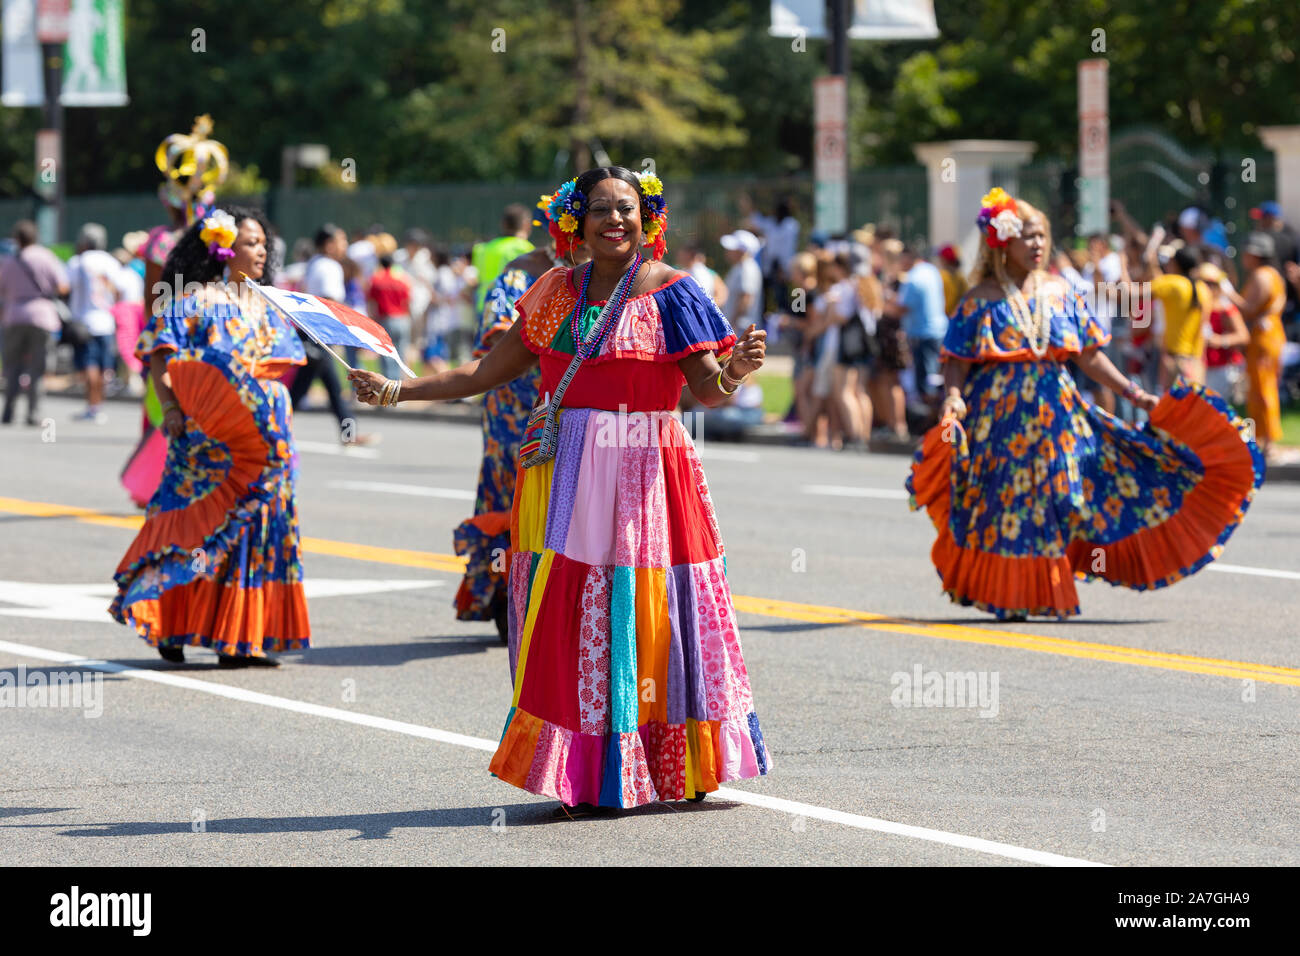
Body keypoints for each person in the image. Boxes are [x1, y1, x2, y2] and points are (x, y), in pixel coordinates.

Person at [349, 166, 773, 815]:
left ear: (647, 217)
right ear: (576, 220)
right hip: (567, 474)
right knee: (577, 616)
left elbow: (706, 391)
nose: (615, 221)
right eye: (601, 209)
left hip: (648, 472)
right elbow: (485, 371)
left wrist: (737, 369)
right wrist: (396, 389)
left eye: (626, 208)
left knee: (654, 612)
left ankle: (679, 763)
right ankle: (584, 771)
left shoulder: (674, 292)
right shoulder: (553, 291)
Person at [907, 188, 1263, 622]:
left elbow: (1087, 354)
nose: (1037, 244)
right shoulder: (980, 297)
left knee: (1063, 494)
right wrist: (954, 395)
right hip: (998, 420)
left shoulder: (1061, 290)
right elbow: (957, 359)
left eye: (1041, 236)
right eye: (1027, 237)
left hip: (1056, 414)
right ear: (1003, 243)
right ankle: (1014, 593)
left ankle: (1044, 586)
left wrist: (1135, 394)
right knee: (1011, 503)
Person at [110, 204, 310, 666]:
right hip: (209, 439)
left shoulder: (272, 304)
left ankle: (239, 638)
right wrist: (174, 407)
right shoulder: (196, 300)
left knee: (256, 529)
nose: (261, 251)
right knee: (198, 528)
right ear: (224, 249)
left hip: (266, 435)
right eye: (250, 243)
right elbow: (158, 353)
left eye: (264, 243)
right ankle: (172, 622)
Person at [453, 194, 592, 647]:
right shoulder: (524, 274)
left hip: (567, 409)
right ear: (563, 232)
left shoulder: (597, 276)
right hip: (515, 413)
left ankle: (558, 604)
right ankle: (506, 603)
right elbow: (498, 338)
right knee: (513, 502)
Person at [289, 223, 374, 445]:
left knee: (314, 389)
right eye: (341, 240)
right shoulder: (329, 266)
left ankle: (275, 426)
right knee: (329, 389)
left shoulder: (313, 264)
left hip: (309, 332)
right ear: (329, 245)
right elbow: (330, 302)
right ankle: (272, 427)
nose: (345, 245)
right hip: (319, 335)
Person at [1225, 232, 1287, 459]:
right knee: (1263, 388)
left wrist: (1227, 292)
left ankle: (1267, 440)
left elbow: (1249, 309)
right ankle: (1262, 438)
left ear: (1256, 254)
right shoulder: (1274, 275)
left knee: (1263, 389)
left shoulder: (1262, 276)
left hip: (1263, 338)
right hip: (1270, 336)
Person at [1, 220, 68, 426]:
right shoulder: (46, 257)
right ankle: (33, 413)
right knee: (37, 368)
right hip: (42, 315)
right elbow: (63, 286)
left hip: (14, 315)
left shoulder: (10, 260)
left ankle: (8, 412)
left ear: (17, 238)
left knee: (12, 367)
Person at [67, 223, 122, 424]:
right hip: (106, 320)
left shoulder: (77, 261)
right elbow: (119, 291)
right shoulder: (111, 262)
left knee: (89, 364)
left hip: (84, 320)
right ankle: (98, 405)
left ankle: (92, 405)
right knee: (103, 366)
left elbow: (66, 286)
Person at [885, 242, 948, 414]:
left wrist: (881, 303)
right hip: (937, 331)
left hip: (923, 335)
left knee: (927, 385)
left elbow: (901, 309)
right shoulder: (931, 270)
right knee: (933, 380)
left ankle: (934, 427)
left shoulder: (913, 278)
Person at [1148, 245, 1210, 389]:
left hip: (1174, 363)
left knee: (1172, 410)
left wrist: (1123, 265)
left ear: (1175, 263)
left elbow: (1130, 294)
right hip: (1195, 363)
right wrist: (1153, 265)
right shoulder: (1203, 289)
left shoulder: (1174, 284)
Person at [1195, 262, 1248, 405]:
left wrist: (1219, 340)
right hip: (1200, 365)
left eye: (1209, 284)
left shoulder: (1225, 309)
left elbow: (1243, 336)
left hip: (1220, 366)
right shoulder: (1197, 307)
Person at [471, 204, 534, 314]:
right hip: (511, 310)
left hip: (484, 307)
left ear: (503, 224)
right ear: (526, 224)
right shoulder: (527, 249)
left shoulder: (483, 249)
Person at [366, 254, 412, 381]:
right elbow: (407, 301)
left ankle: (389, 384)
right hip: (402, 318)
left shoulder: (376, 280)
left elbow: (371, 302)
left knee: (386, 354)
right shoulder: (401, 279)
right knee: (401, 353)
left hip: (386, 319)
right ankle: (400, 385)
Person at [719, 229, 763, 333]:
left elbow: (746, 298)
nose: (727, 251)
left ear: (742, 251)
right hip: (738, 328)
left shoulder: (747, 268)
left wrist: (732, 325)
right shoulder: (740, 267)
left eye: (732, 248)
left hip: (741, 329)